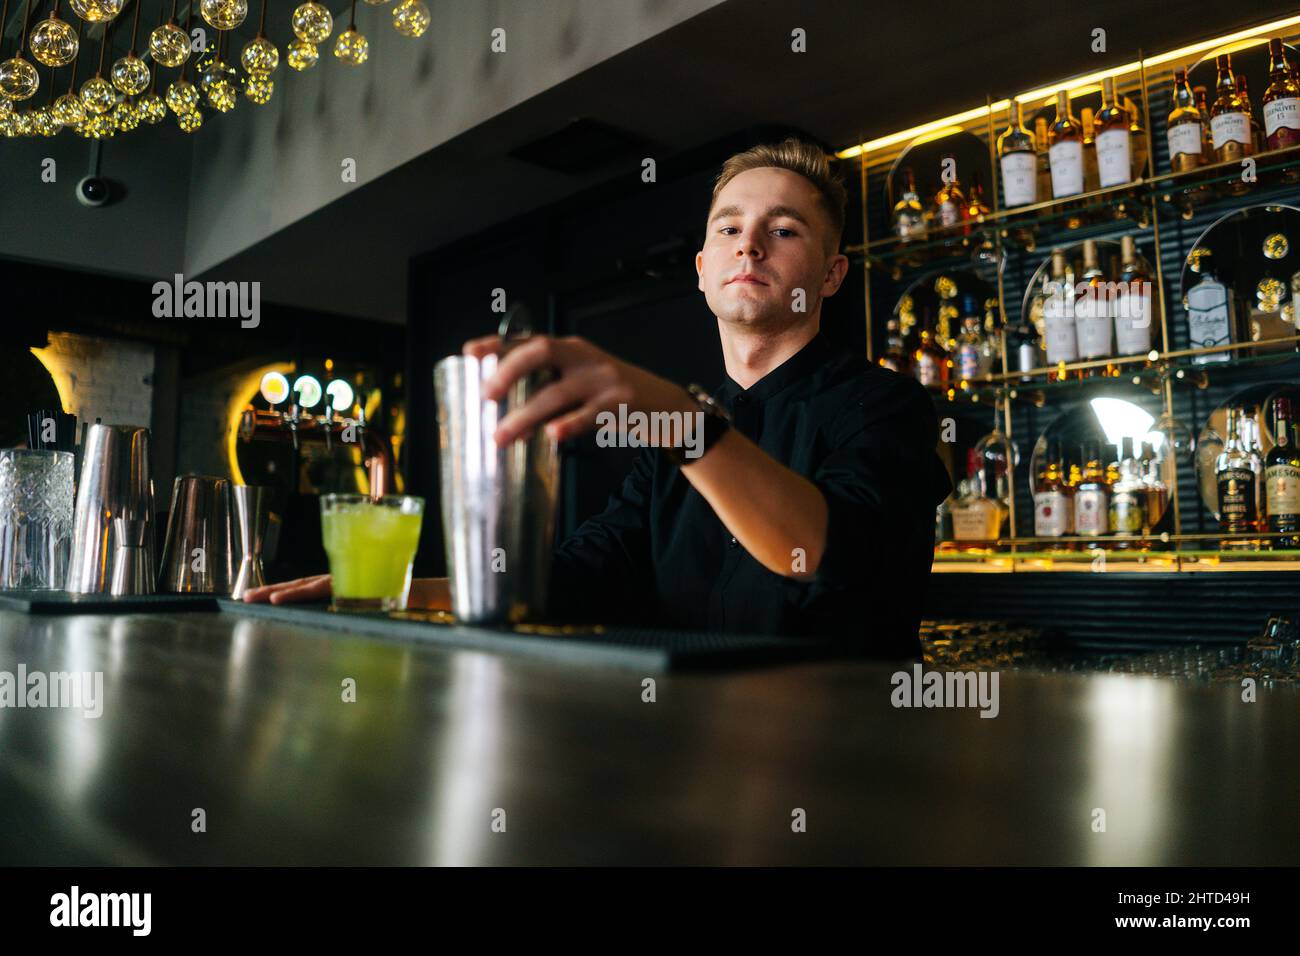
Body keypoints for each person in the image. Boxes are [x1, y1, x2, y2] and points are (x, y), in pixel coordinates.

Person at [245, 138, 952, 658]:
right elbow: (573, 580)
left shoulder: (887, 409)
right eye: (730, 228)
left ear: (831, 276)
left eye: (785, 229)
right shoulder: (671, 450)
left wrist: (679, 422)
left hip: (852, 777)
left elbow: (832, 559)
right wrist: (393, 594)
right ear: (703, 271)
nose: (752, 246)